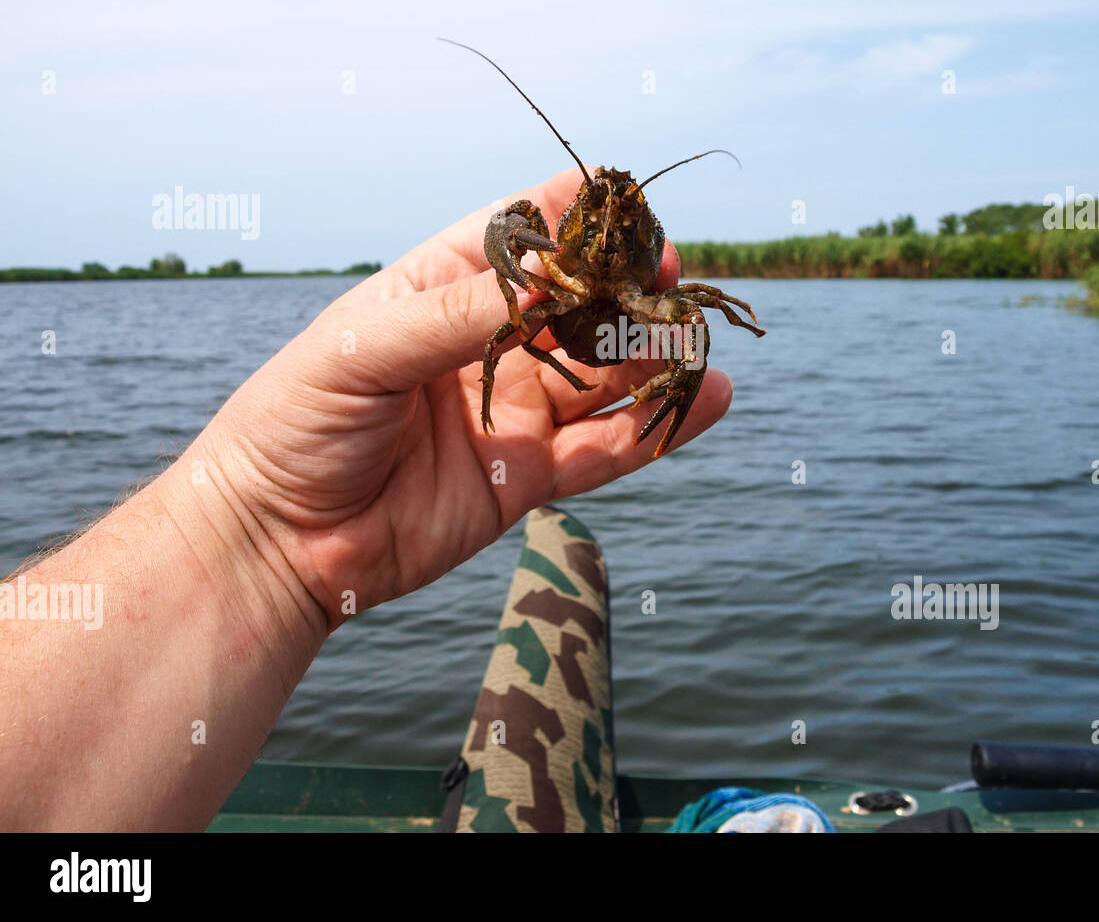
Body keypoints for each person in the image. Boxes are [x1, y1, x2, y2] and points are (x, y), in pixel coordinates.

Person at [0, 167, 733, 832]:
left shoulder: (650, 277)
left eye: (622, 219)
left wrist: (255, 538)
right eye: (596, 216)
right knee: (493, 343)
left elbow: (692, 315)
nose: (607, 229)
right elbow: (504, 245)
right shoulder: (544, 251)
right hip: (561, 322)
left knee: (691, 330)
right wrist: (259, 527)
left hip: (615, 324)